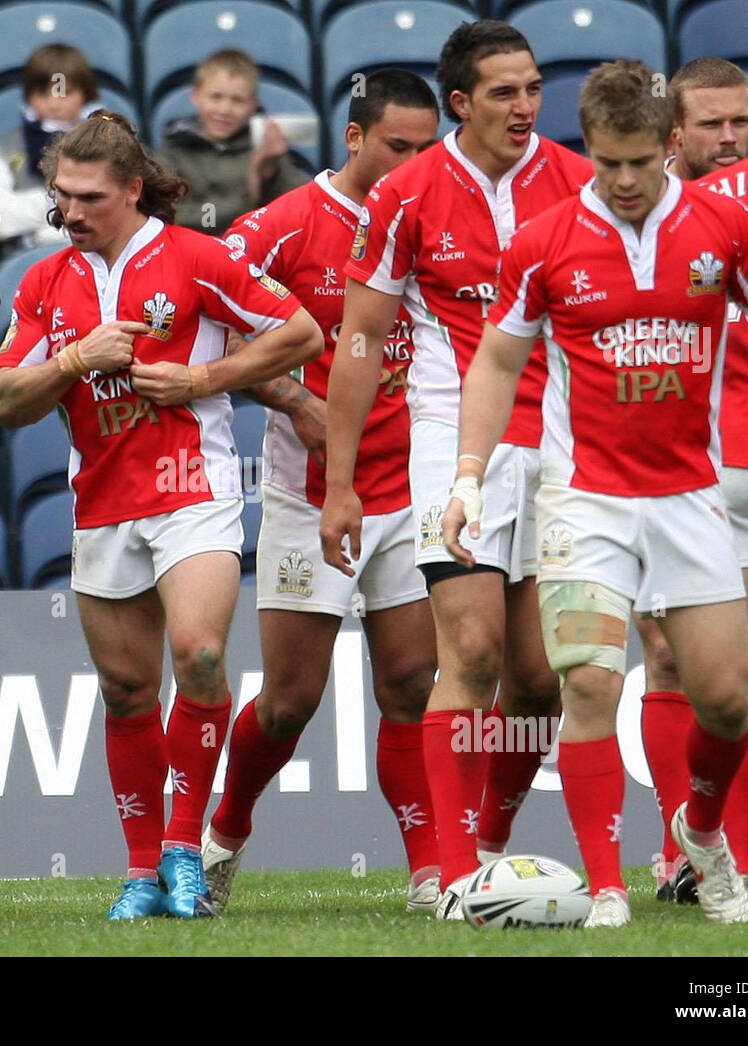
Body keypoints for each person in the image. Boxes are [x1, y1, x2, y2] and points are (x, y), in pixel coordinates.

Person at [443, 59, 748, 927]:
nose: (624, 181)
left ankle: (701, 832)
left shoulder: (722, 225)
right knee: (588, 685)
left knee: (727, 700)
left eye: (640, 162)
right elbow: (498, 361)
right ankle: (608, 888)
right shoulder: (544, 240)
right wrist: (468, 477)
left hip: (692, 497)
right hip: (582, 502)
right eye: (607, 162)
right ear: (587, 148)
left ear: (670, 145)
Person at [0, 111, 322, 920]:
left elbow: (303, 332)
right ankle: (141, 873)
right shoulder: (43, 281)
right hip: (102, 502)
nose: (69, 211)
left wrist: (203, 379)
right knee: (128, 690)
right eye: (61, 195)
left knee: (201, 656)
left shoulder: (195, 258)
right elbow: (5, 402)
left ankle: (184, 851)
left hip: (194, 491)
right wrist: (76, 358)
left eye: (89, 197)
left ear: (133, 190)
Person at [319, 19, 591, 920]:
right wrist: (343, 480)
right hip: (449, 439)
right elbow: (359, 341)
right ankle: (444, 870)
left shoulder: (582, 181)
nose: (526, 106)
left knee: (542, 679)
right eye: (504, 92)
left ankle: (489, 843)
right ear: (462, 104)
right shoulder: (404, 193)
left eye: (534, 88)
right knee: (469, 653)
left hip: (558, 441)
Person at [199, 70, 441, 913]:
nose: (413, 162)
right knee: (293, 699)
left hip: (414, 484)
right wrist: (296, 397)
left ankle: (429, 873)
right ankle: (224, 834)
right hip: (311, 493)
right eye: (396, 146)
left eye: (425, 147)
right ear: (353, 138)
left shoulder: (437, 217)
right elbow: (209, 318)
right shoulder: (280, 227)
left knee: (412, 682)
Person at [638, 57, 748, 906]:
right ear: (673, 132)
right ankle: (685, 852)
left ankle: (723, 849)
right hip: (649, 466)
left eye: (740, 121)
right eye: (711, 124)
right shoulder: (629, 207)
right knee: (660, 656)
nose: (729, 138)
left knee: (732, 678)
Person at [155, 49, 308, 237]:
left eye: (238, 100)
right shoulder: (173, 152)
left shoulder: (265, 150)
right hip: (191, 254)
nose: (225, 109)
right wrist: (248, 197)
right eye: (216, 97)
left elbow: (298, 211)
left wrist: (269, 173)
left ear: (253, 105)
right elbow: (166, 214)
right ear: (195, 96)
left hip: (251, 254)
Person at [0, 43, 99, 253]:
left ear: (85, 94)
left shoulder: (109, 148)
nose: (54, 103)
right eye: (43, 93)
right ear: (28, 96)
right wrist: (59, 205)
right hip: (25, 264)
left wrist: (39, 232)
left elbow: (120, 214)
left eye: (64, 92)